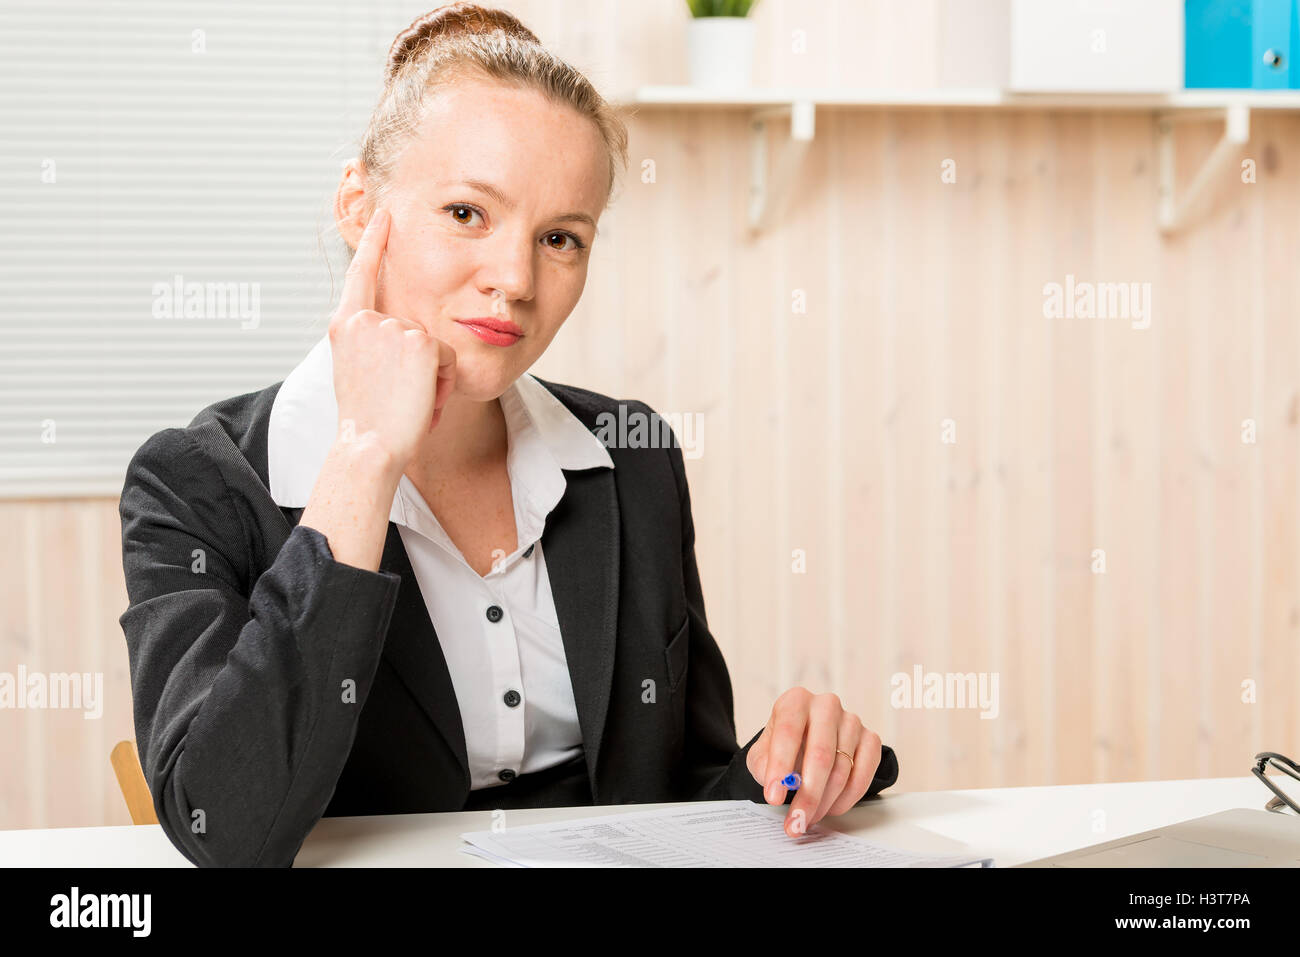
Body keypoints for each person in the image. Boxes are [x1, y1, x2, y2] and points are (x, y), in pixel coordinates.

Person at [117, 1, 898, 868]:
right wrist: (363, 459)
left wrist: (791, 765)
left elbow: (681, 792)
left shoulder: (631, 452)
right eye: (467, 213)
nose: (517, 279)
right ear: (358, 206)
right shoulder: (197, 481)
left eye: (560, 238)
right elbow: (224, 829)